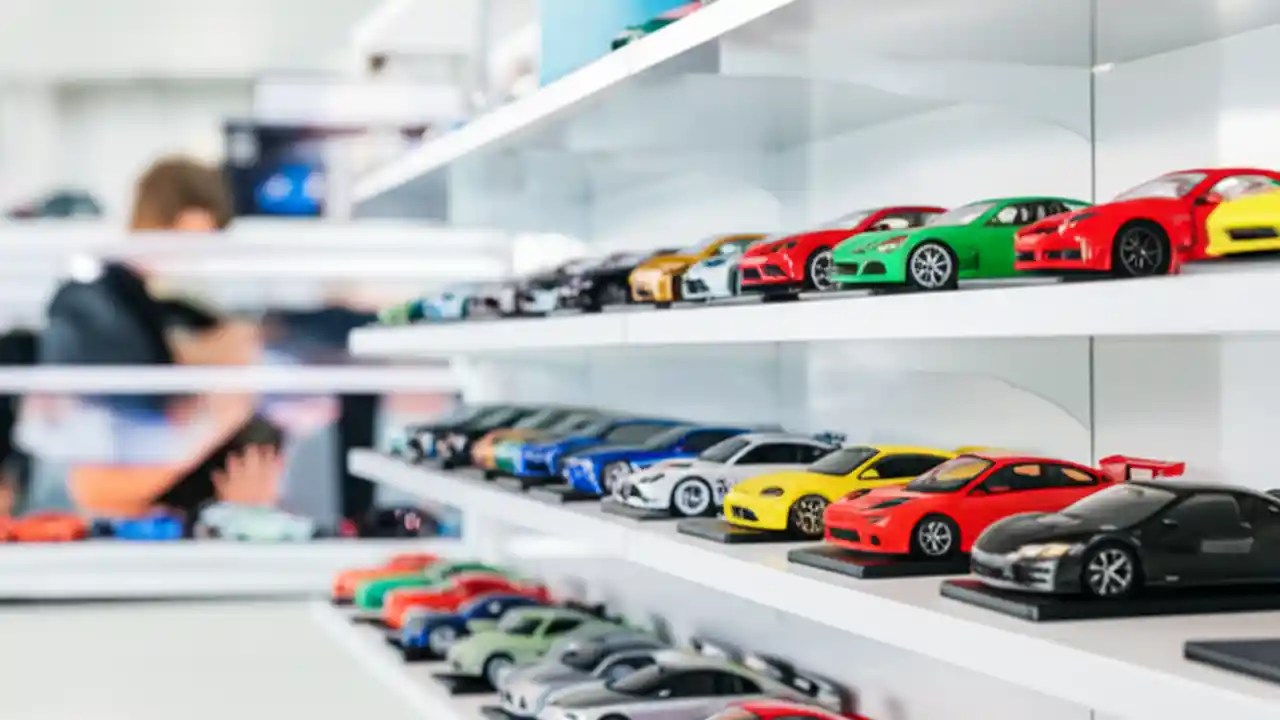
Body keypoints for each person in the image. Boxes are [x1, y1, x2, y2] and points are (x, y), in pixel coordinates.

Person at [39, 156, 283, 522]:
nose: (199, 256)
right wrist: (216, 423)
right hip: (120, 506)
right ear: (181, 219)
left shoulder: (149, 304)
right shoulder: (98, 307)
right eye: (199, 238)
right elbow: (93, 485)